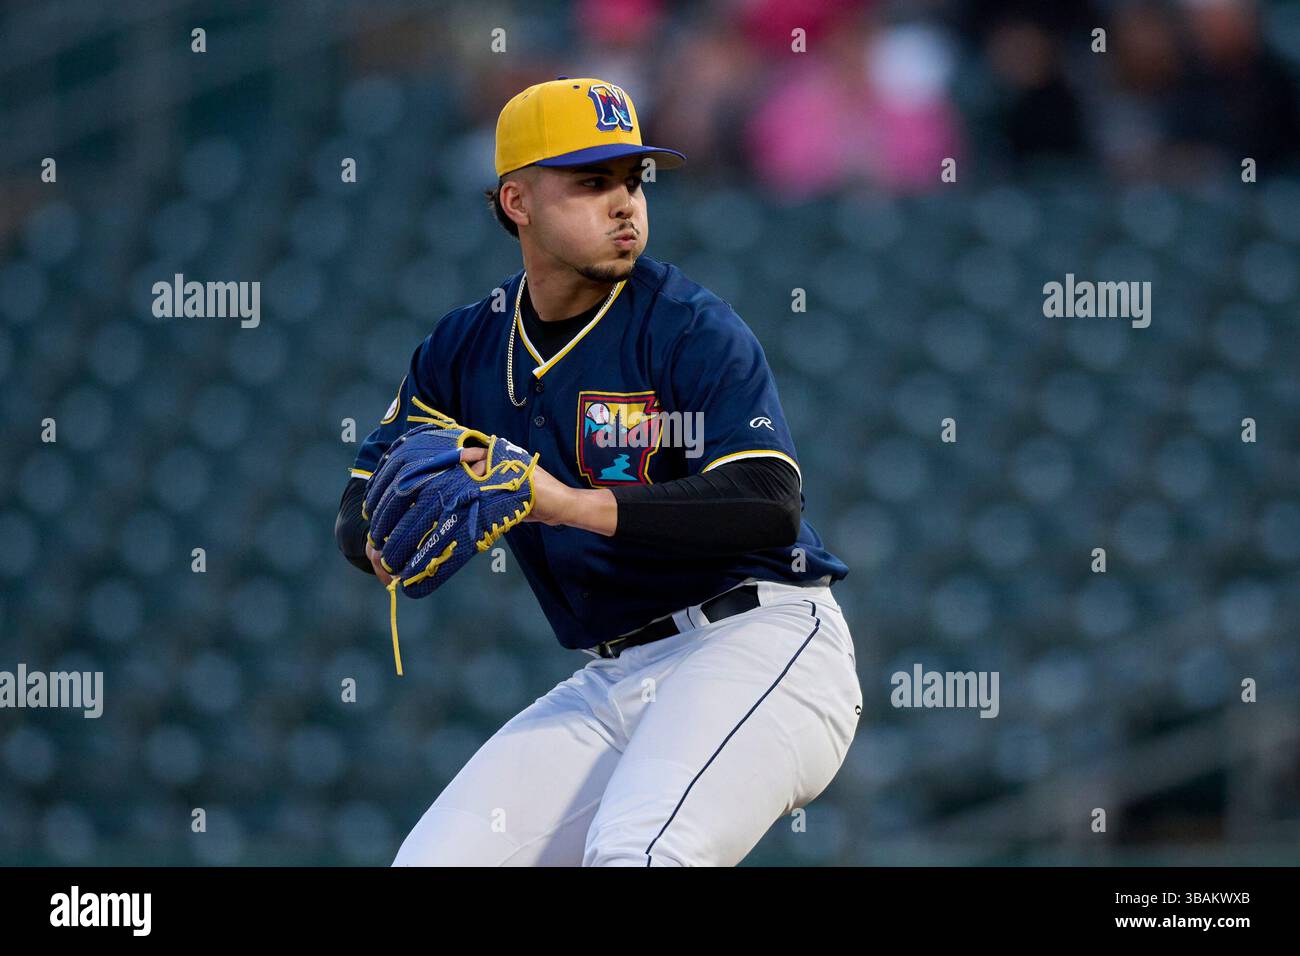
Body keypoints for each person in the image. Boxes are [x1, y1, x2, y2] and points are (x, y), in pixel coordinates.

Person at [334, 77, 862, 866]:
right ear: (517, 202)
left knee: (640, 854)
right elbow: (362, 497)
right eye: (590, 182)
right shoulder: (464, 348)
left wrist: (565, 504)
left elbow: (767, 502)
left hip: (760, 640)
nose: (624, 203)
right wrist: (373, 541)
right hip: (615, 677)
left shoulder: (687, 326)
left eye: (631, 179)